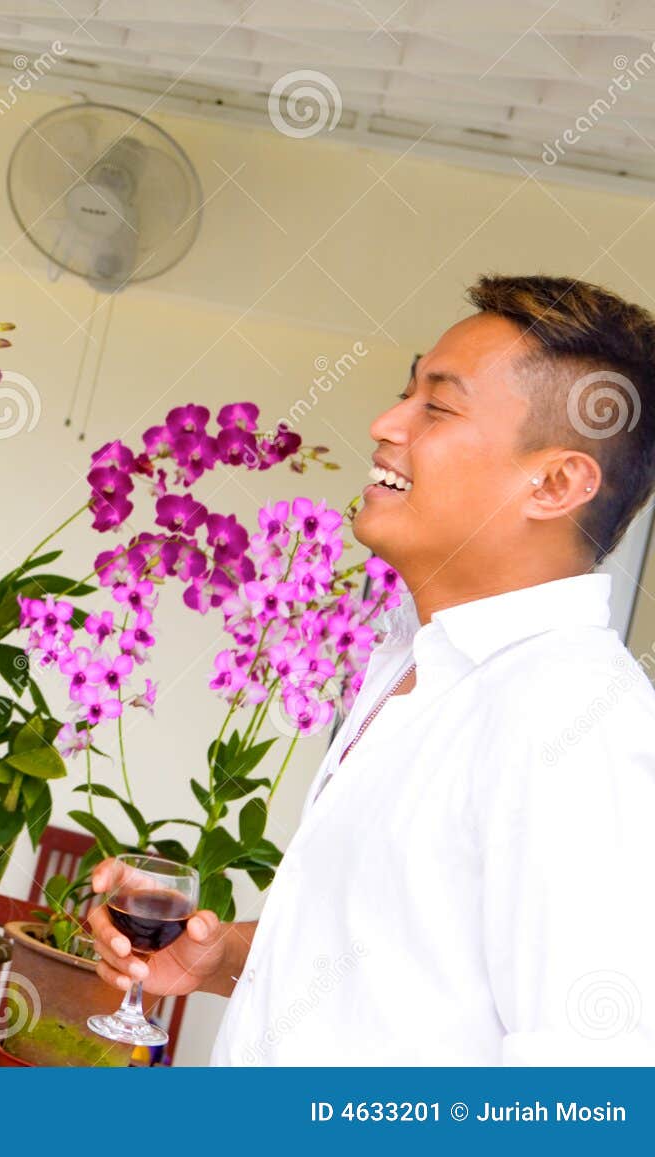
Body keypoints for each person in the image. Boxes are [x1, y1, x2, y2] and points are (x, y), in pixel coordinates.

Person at [90, 274, 655, 1064]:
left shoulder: (577, 719)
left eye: (437, 405)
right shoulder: (415, 662)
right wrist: (227, 960)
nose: (385, 423)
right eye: (404, 393)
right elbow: (404, 977)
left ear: (556, 483)